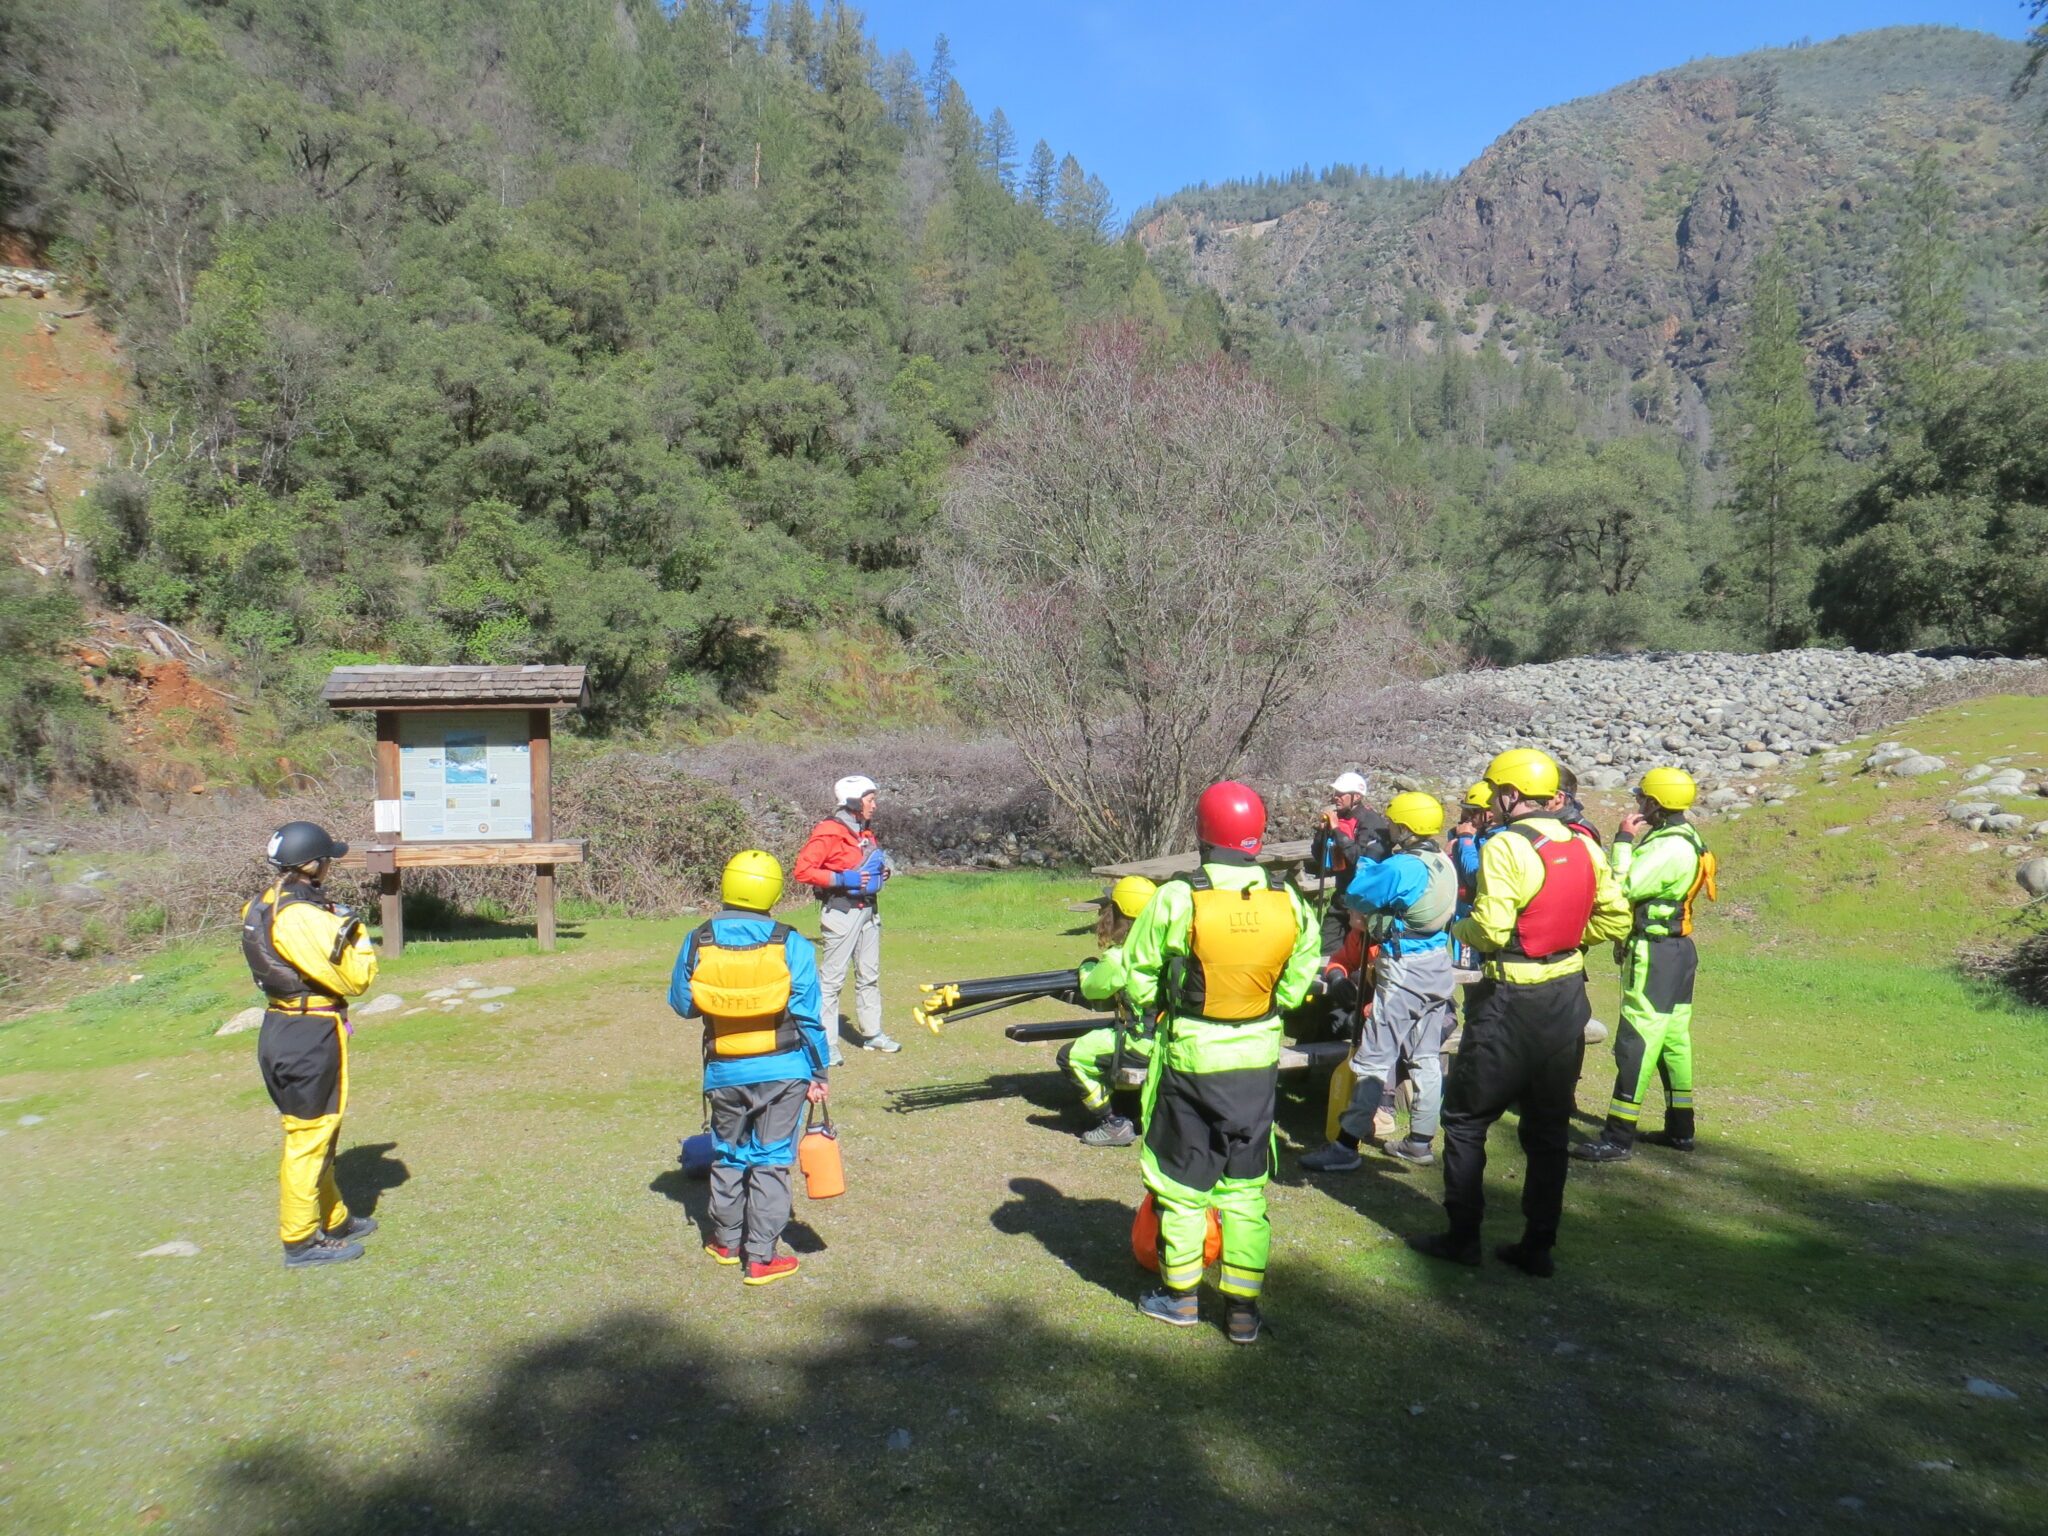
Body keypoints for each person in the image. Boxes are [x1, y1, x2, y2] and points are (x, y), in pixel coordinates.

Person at [1410, 749, 1630, 1278]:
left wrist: (1452, 932)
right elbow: (1617, 917)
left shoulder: (1507, 844)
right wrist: (1568, 942)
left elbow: (1488, 929)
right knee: (1548, 1128)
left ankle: (1463, 1238)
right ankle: (1538, 1246)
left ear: (1510, 795)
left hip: (1511, 1001)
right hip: (1567, 999)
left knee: (1465, 1120)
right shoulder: (1582, 841)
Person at [1123, 782, 1320, 1344]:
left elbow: (1138, 972)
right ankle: (1242, 1312)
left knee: (1183, 1185)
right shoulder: (1289, 902)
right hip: (1257, 1060)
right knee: (1244, 1186)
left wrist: (1150, 1003)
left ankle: (1181, 1299)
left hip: (1192, 1055)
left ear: (1203, 834)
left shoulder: (1178, 897)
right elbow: (1298, 979)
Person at [668, 850, 830, 1285]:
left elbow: (683, 1005)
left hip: (724, 1070)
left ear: (728, 884)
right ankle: (761, 1257)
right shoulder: (790, 942)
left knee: (729, 1154)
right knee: (772, 1160)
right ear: (774, 891)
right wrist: (820, 1072)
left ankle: (725, 1241)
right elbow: (810, 1018)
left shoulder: (698, 938)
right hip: (785, 1071)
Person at [242, 821, 380, 1268]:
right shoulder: (301, 915)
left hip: (283, 1027)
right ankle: (300, 1240)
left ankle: (333, 1216)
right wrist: (352, 930)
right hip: (308, 1035)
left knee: (320, 1131)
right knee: (309, 1135)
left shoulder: (266, 901)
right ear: (312, 864)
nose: (329, 867)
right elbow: (357, 978)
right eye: (326, 860)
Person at [1301, 792, 1460, 1171]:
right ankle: (1420, 1141)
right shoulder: (1443, 861)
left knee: (1374, 1057)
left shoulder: (1405, 865)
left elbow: (1356, 894)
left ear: (1404, 827)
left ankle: (1345, 1146)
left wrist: (1371, 859)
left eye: (1393, 824)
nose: (1388, 829)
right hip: (1438, 963)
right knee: (1424, 1056)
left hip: (1405, 966)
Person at [1574, 767, 1714, 1163]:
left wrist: (1621, 841)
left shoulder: (1666, 846)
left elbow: (1620, 888)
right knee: (1673, 1041)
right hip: (1678, 950)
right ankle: (1680, 1130)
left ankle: (1617, 1138)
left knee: (1637, 1039)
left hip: (1654, 952)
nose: (1637, 806)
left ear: (1655, 804)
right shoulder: (1688, 837)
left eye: (1641, 800)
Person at [792, 774, 899, 1060]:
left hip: (869, 912)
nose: (874, 805)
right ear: (853, 801)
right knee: (832, 980)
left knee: (869, 976)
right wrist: (840, 878)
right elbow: (803, 871)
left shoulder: (864, 831)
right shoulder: (829, 831)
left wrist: (883, 872)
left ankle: (872, 1034)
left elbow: (870, 862)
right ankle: (827, 1044)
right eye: (870, 799)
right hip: (841, 912)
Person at [1057, 875, 1159, 1148]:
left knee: (1071, 1056)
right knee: (1109, 1037)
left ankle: (1112, 1122)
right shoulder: (1169, 948)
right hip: (1170, 1039)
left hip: (1142, 1044)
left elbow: (1092, 989)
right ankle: (1132, 1108)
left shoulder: (1119, 957)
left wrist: (1086, 967)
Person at [1310, 772, 1392, 957]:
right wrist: (1321, 833)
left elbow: (1359, 858)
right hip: (1341, 897)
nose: (1336, 797)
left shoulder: (1371, 822)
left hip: (1364, 901)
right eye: (1335, 793)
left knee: (1361, 957)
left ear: (1356, 796)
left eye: (1341, 794)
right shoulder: (1337, 818)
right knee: (1324, 950)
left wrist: (1337, 830)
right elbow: (1318, 858)